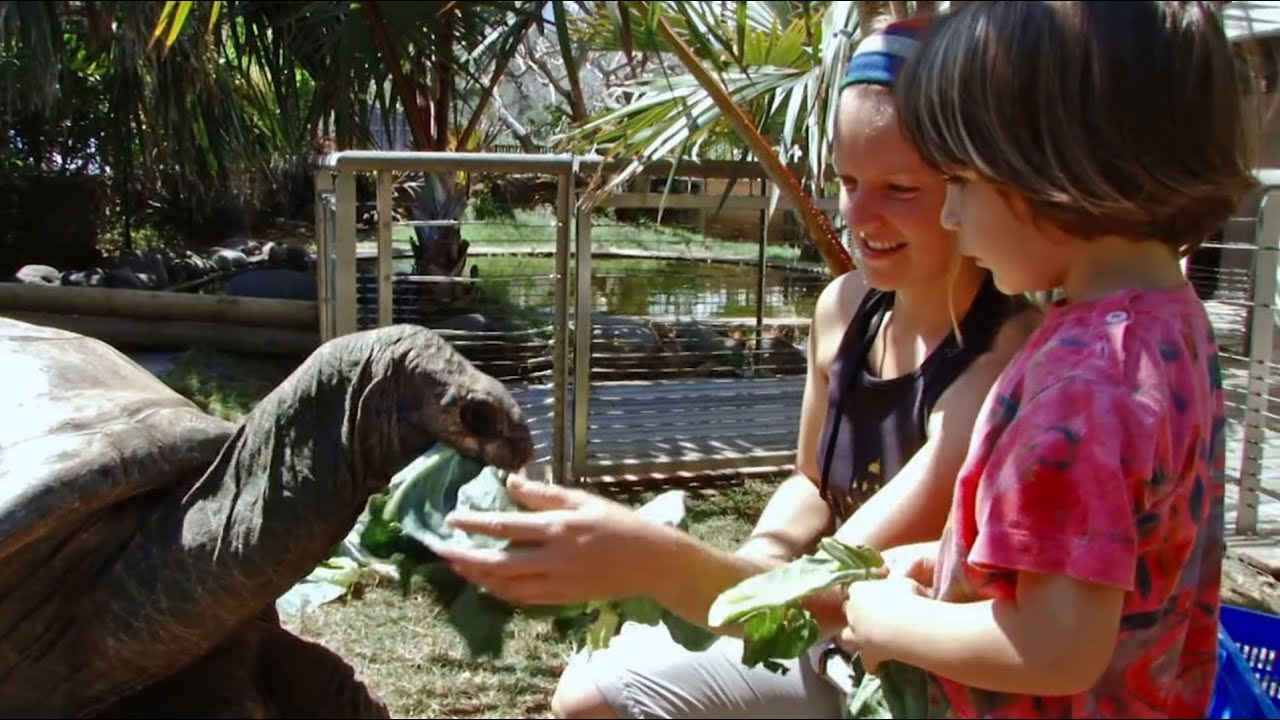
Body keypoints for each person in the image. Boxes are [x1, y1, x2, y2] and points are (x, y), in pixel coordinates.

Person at [435, 15, 1040, 720]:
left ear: (973, 185)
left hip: (912, 677)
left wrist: (646, 555)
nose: (861, 214)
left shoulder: (1003, 365)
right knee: (589, 689)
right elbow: (812, 480)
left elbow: (820, 583)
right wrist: (761, 547)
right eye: (847, 180)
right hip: (828, 630)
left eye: (900, 189)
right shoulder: (844, 309)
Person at [833, 2, 1255, 717]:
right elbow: (1106, 558)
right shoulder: (1167, 322)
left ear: (1054, 168)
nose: (949, 215)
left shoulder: (1086, 382)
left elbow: (1054, 650)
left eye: (962, 181)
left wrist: (890, 624)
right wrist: (950, 572)